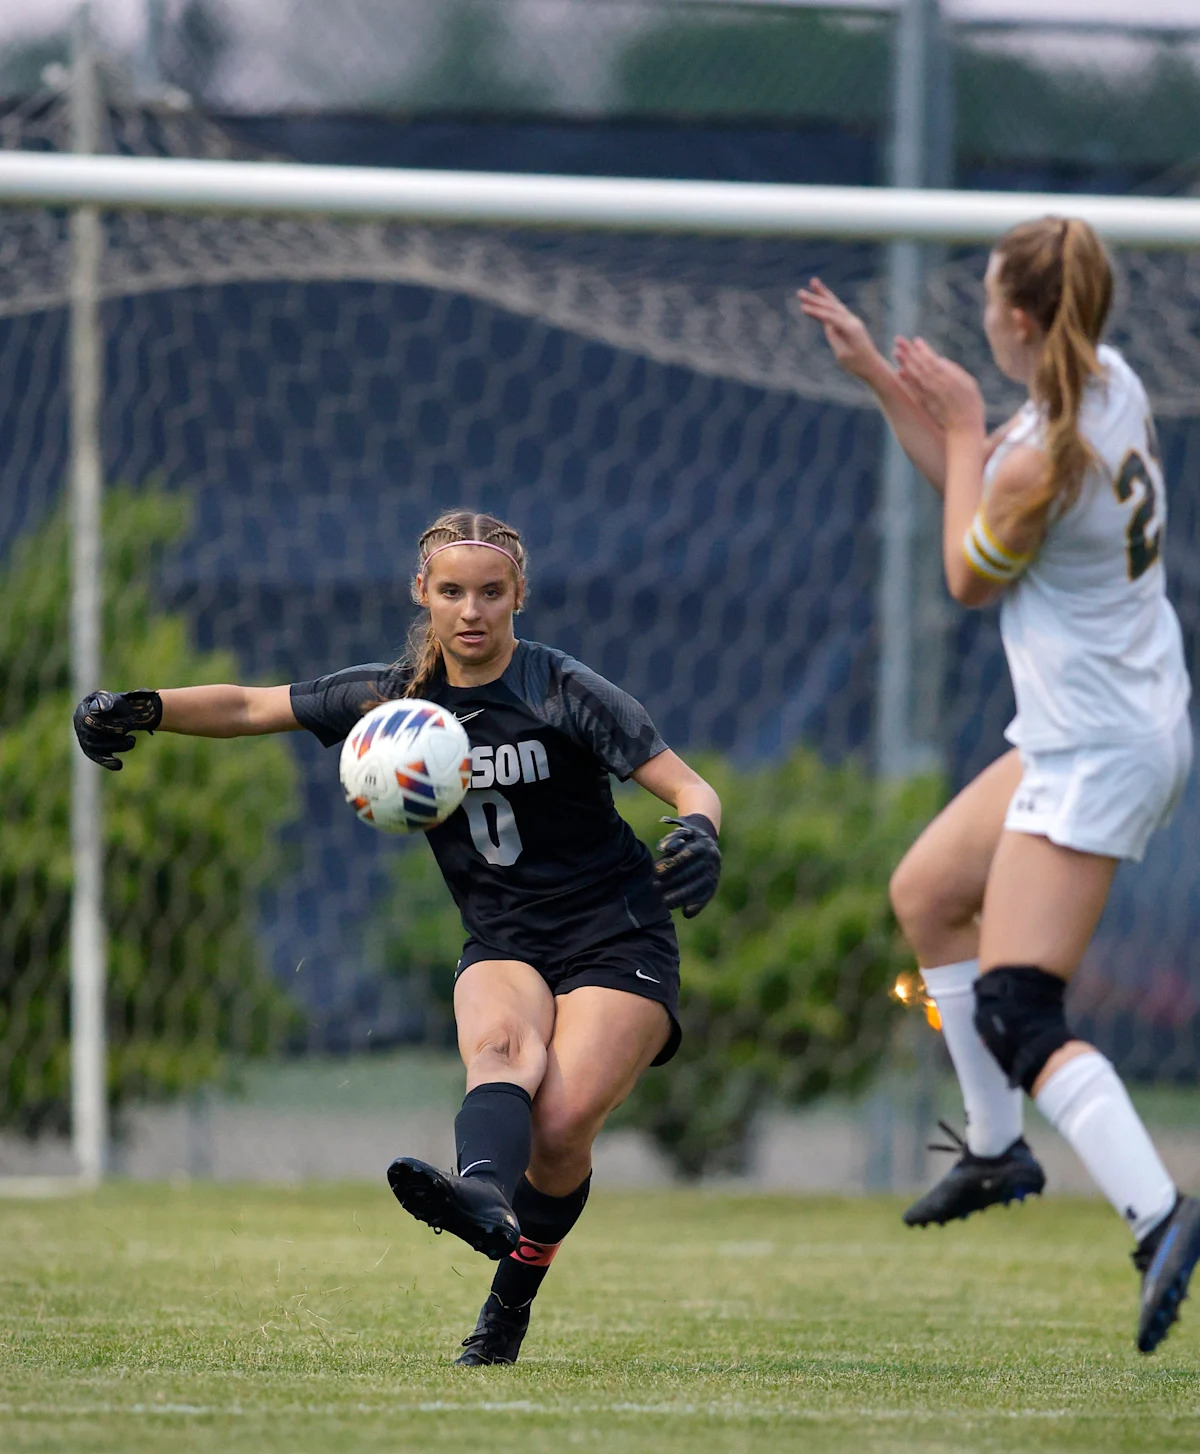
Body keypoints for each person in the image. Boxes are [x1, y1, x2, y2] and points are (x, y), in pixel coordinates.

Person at [74, 510, 722, 1366]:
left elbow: (689, 786)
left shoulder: (562, 688)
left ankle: (507, 1305)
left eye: (492, 592)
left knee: (560, 1126)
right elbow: (250, 703)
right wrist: (144, 708)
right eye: (452, 591)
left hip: (617, 930)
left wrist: (701, 834)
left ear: (519, 595)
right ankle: (481, 1193)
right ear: (423, 592)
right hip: (504, 936)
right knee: (498, 1047)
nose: (472, 611)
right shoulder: (397, 699)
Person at [799, 217, 1200, 1353]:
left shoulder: (1032, 448)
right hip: (1101, 725)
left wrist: (965, 417)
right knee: (926, 891)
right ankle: (995, 1146)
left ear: (1021, 321)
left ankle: (1159, 1211)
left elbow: (967, 574)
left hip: (1098, 749)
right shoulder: (1102, 384)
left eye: (986, 296)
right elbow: (986, 506)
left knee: (1024, 1008)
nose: (979, 312)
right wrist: (887, 381)